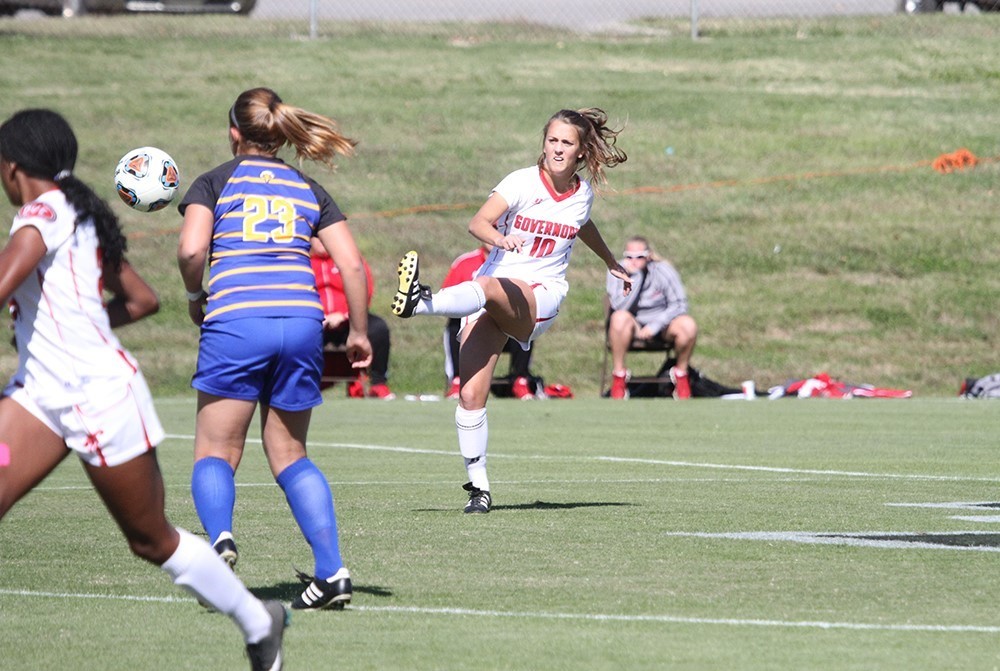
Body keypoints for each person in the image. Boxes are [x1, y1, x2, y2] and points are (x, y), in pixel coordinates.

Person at [0, 108, 287, 671]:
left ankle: (260, 623)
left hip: (98, 397)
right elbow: (142, 300)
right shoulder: (74, 208)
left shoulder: (42, 210)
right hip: (40, 394)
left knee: (152, 540)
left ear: (12, 167)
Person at [177, 87, 372, 611]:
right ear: (281, 132)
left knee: (217, 450)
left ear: (234, 132)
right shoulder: (308, 188)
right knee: (290, 453)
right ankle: (332, 572)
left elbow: (193, 248)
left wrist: (197, 296)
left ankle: (219, 540)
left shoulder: (215, 181)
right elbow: (351, 265)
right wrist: (357, 332)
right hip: (302, 323)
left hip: (238, 320)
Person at [391, 108, 630, 513]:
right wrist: (501, 239)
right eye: (552, 140)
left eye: (566, 143)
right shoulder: (520, 182)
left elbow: (582, 224)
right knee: (470, 394)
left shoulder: (582, 194)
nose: (557, 148)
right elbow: (478, 223)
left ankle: (421, 303)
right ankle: (479, 489)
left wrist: (610, 261)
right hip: (493, 291)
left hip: (540, 296)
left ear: (580, 150)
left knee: (486, 286)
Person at [606, 236, 698, 400]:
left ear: (648, 256)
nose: (634, 261)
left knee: (688, 325)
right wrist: (635, 278)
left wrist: (655, 326)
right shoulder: (616, 270)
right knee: (619, 318)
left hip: (663, 324)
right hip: (632, 323)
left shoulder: (663, 270)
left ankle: (681, 374)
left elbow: (679, 304)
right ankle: (619, 376)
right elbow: (618, 306)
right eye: (629, 257)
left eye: (640, 257)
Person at [440, 244, 538, 400]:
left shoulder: (515, 262)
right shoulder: (465, 262)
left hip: (504, 327)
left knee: (525, 323)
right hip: (471, 327)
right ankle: (457, 380)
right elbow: (449, 296)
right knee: (454, 325)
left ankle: (521, 380)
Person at [310, 237, 395, 399]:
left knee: (378, 328)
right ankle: (297, 383)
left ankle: (378, 384)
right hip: (316, 321)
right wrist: (319, 316)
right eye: (317, 237)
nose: (321, 241)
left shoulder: (348, 260)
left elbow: (364, 290)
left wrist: (344, 315)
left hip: (348, 321)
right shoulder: (303, 263)